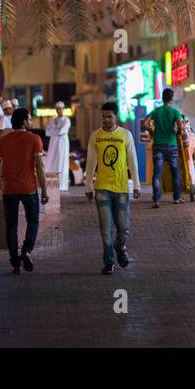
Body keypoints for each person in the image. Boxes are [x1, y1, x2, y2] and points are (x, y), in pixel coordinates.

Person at [85, 102, 141, 274]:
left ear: (116, 116)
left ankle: (120, 245)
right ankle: (109, 262)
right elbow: (90, 162)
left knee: (124, 227)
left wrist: (136, 184)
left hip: (122, 187)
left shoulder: (126, 135)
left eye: (109, 116)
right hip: (102, 188)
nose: (106, 120)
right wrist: (88, 185)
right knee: (105, 227)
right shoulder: (96, 136)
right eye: (103, 116)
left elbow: (132, 161)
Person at [0, 108, 49, 274]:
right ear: (24, 121)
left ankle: (15, 262)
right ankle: (26, 250)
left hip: (9, 189)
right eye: (29, 119)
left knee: (11, 226)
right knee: (33, 221)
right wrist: (44, 190)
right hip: (29, 188)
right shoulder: (34, 139)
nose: (31, 122)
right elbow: (39, 167)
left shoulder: (3, 141)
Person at [145, 87, 185, 208]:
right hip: (171, 145)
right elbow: (181, 127)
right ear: (171, 99)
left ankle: (156, 200)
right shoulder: (175, 111)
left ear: (162, 98)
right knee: (175, 172)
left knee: (157, 173)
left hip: (158, 145)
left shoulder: (156, 111)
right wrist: (178, 133)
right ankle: (176, 198)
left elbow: (145, 123)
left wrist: (151, 131)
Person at [43, 106, 71, 191]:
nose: (59, 110)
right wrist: (55, 131)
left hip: (62, 143)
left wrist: (53, 130)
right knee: (51, 162)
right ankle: (51, 184)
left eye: (60, 109)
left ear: (63, 109)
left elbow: (62, 131)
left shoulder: (66, 120)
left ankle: (61, 185)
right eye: (57, 109)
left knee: (61, 163)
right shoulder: (52, 120)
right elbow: (47, 132)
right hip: (53, 143)